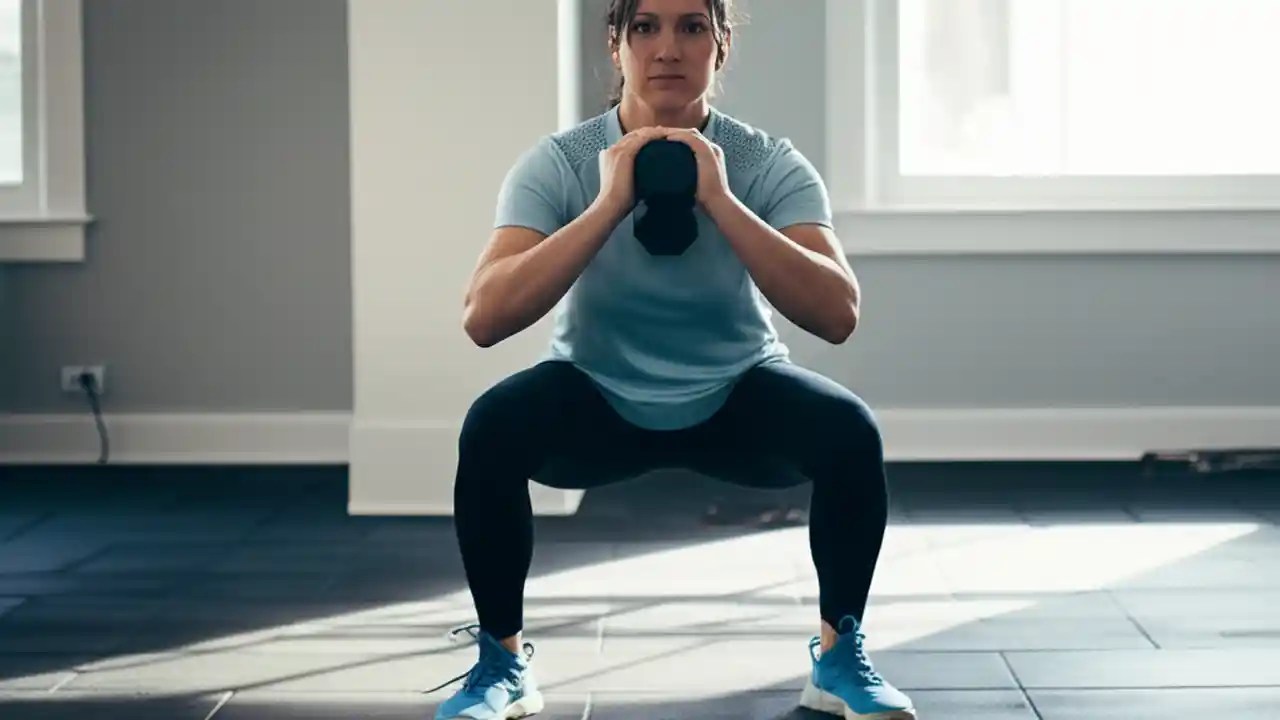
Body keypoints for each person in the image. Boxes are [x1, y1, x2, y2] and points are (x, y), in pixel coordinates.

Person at [429, 0, 916, 718]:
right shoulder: (560, 163)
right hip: (595, 397)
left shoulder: (766, 162)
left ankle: (839, 658)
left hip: (736, 396)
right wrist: (606, 204)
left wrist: (718, 197)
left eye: (692, 27)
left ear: (720, 46)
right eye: (646, 27)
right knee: (492, 426)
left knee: (850, 431)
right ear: (617, 44)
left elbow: (837, 313)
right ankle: (501, 667)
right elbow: (483, 316)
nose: (667, 48)